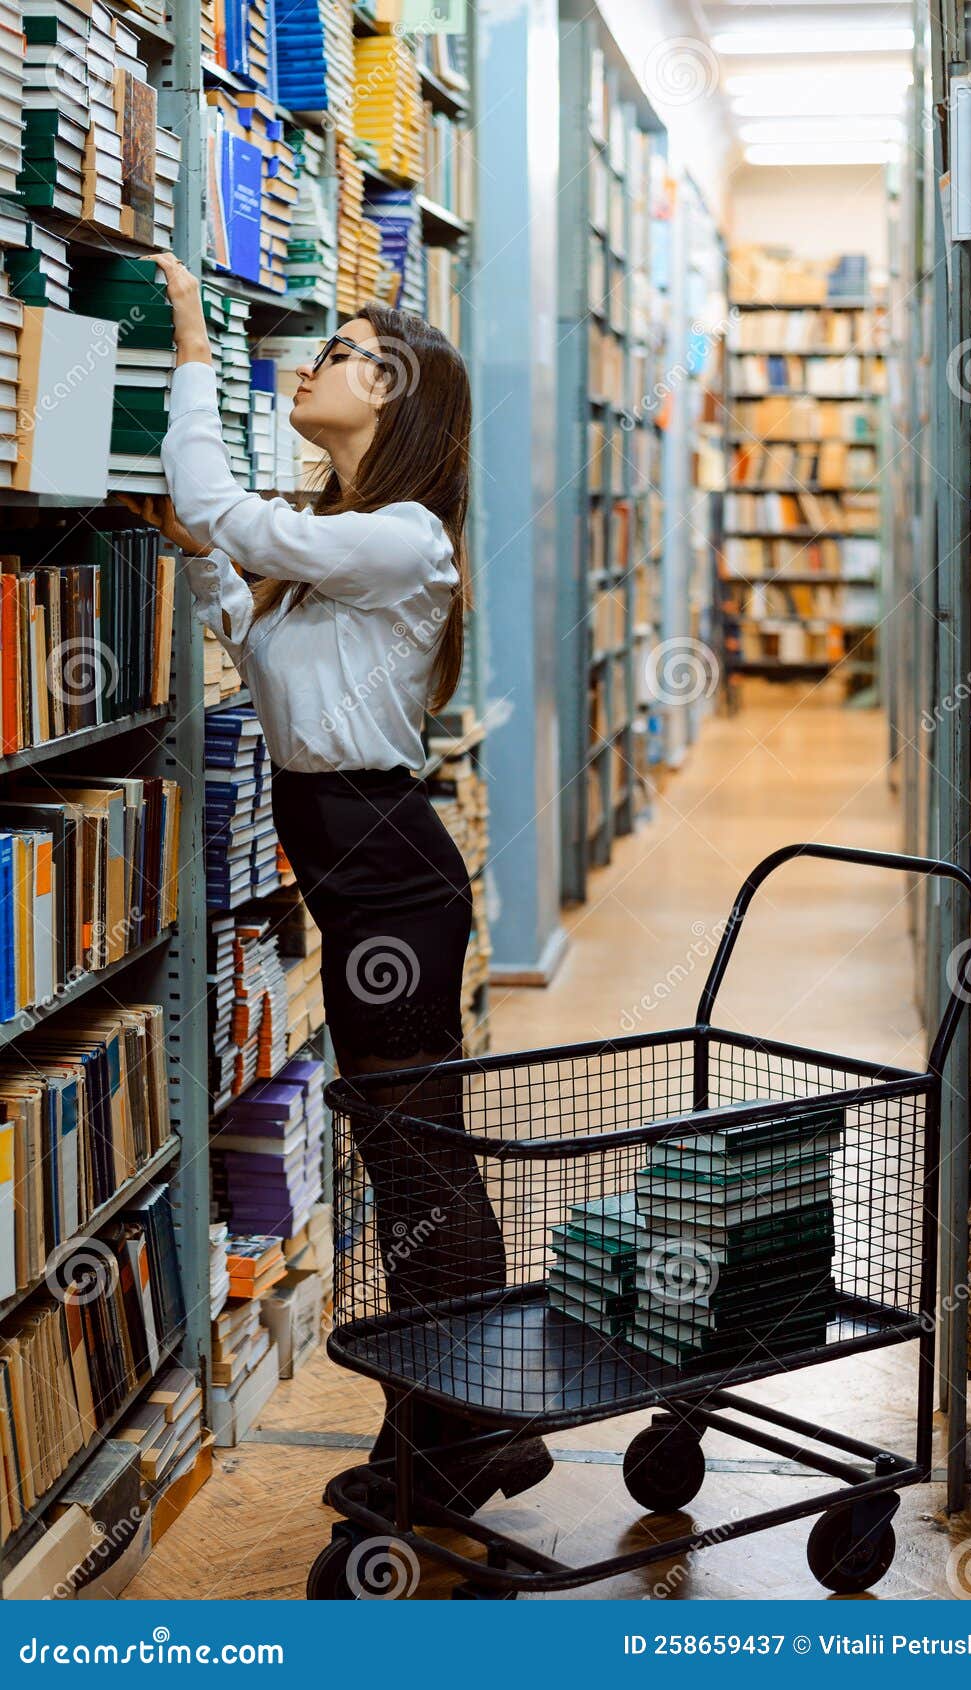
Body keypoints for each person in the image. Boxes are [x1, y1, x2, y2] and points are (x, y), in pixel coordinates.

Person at [121, 252, 551, 1517]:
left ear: (402, 401)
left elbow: (228, 509)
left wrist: (195, 336)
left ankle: (474, 1428)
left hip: (389, 871)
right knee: (396, 1139)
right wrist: (197, 549)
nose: (319, 361)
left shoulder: (400, 536)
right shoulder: (329, 555)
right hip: (352, 857)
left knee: (416, 1151)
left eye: (353, 351)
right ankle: (449, 1423)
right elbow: (246, 625)